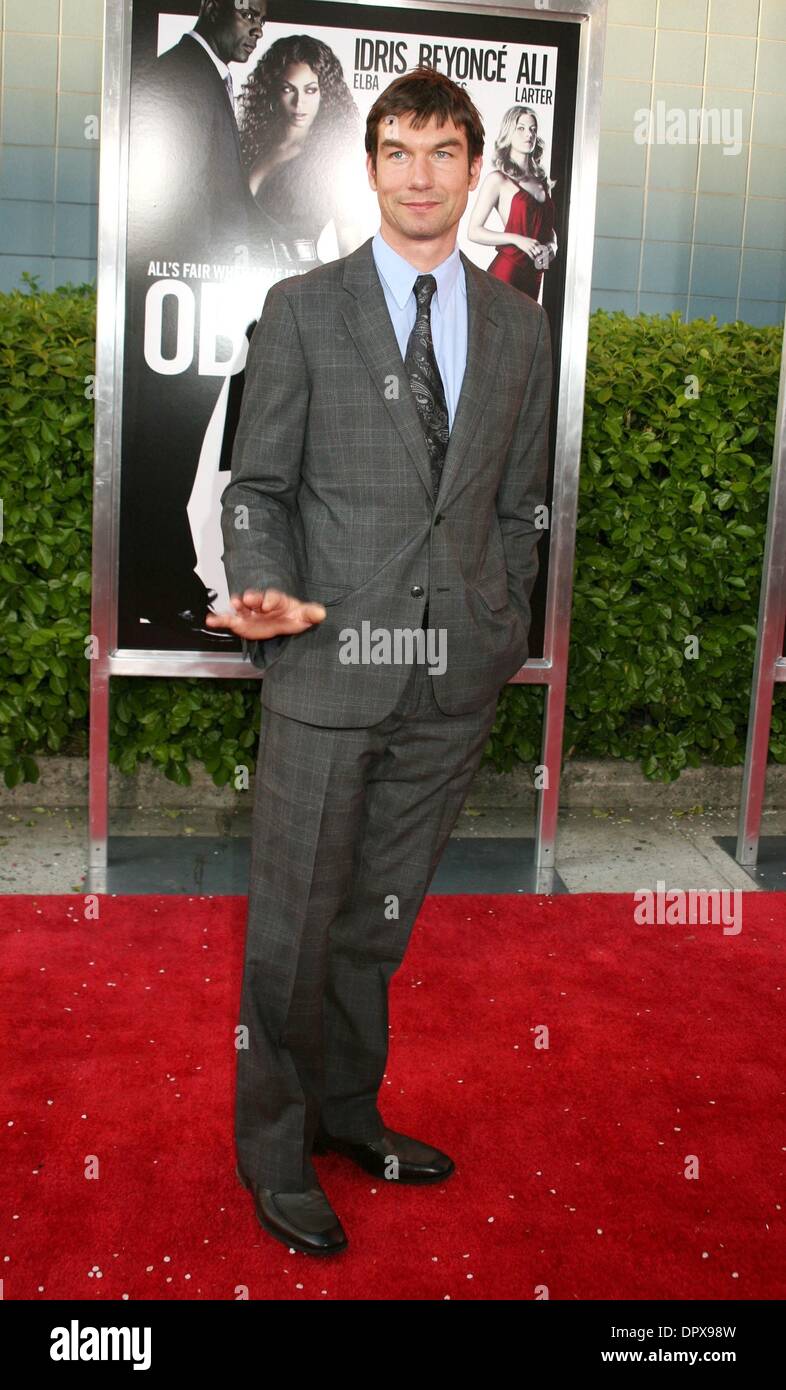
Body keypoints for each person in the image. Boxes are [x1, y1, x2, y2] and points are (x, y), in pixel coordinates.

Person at [208, 65, 553, 1257]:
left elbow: (516, 501)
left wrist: (500, 620)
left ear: (474, 169)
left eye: (442, 152)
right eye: (397, 151)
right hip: (328, 669)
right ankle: (274, 1149)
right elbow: (259, 487)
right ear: (370, 169)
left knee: (376, 926)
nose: (419, 175)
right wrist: (267, 585)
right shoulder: (306, 308)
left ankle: (350, 1113)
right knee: (294, 930)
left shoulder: (519, 324)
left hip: (453, 680)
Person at [122, 0, 276, 647]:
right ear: (213, 8)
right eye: (246, 12)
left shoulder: (201, 76)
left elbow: (228, 197)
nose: (256, 27)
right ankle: (159, 592)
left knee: (179, 451)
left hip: (201, 300)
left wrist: (274, 248)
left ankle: (164, 586)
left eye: (262, 16)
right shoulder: (177, 77)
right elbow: (179, 200)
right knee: (165, 450)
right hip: (179, 301)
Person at [237, 33, 365, 272]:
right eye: (288, 89)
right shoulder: (247, 147)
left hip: (300, 283)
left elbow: (350, 249)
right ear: (273, 91)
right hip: (244, 279)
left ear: (325, 93)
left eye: (310, 90)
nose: (299, 103)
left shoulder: (330, 161)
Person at [468, 106, 557, 302]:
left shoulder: (542, 181)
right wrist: (517, 239)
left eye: (533, 129)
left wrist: (551, 248)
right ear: (509, 131)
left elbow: (548, 230)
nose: (529, 134)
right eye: (521, 128)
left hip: (534, 276)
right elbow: (473, 231)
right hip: (506, 274)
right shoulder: (498, 180)